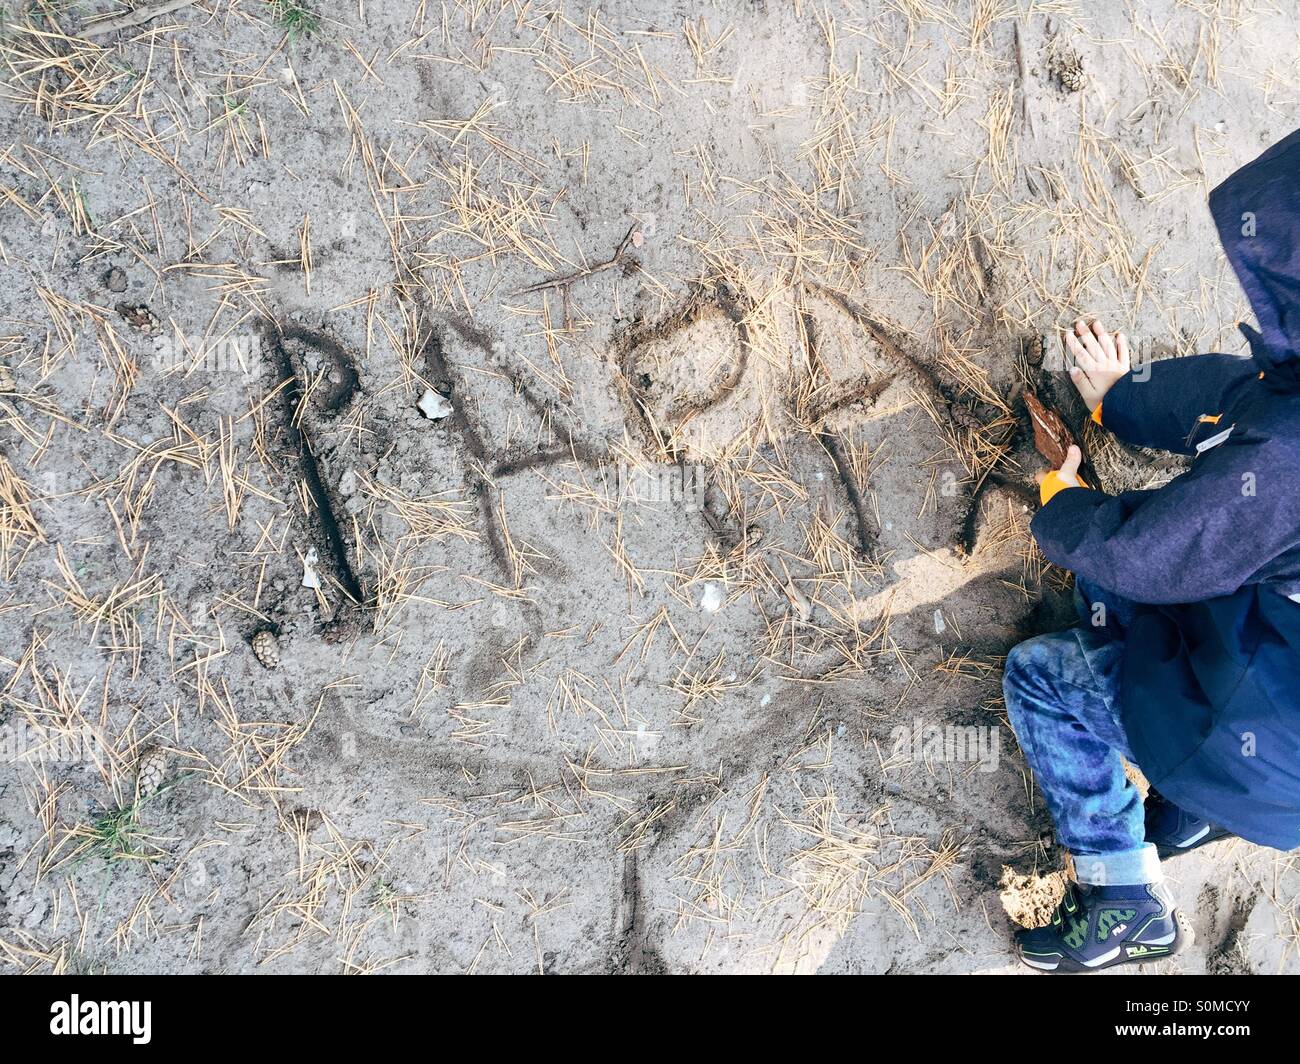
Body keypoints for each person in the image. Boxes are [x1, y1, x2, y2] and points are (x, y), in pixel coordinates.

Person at [1003, 128, 1300, 973]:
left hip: (1255, 736)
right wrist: (1119, 404)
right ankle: (1191, 806)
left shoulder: (1287, 463)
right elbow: (1243, 398)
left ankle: (1122, 893)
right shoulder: (1290, 424)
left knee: (1042, 678)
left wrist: (1064, 506)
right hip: (1276, 716)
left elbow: (1152, 554)